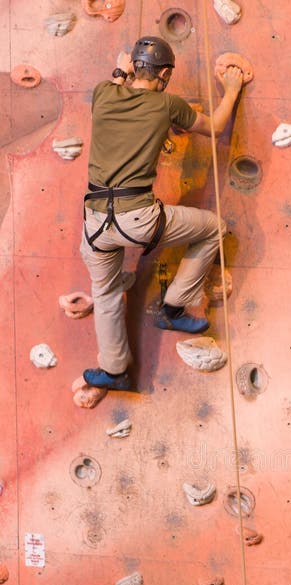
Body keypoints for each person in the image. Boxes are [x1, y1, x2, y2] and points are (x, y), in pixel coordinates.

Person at [79, 35, 244, 392]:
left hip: (94, 225)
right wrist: (231, 88)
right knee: (213, 228)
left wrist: (120, 72)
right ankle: (173, 308)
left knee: (105, 292)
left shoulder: (103, 93)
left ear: (132, 68)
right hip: (138, 220)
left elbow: (116, 82)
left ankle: (114, 371)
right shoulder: (167, 104)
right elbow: (214, 127)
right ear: (165, 74)